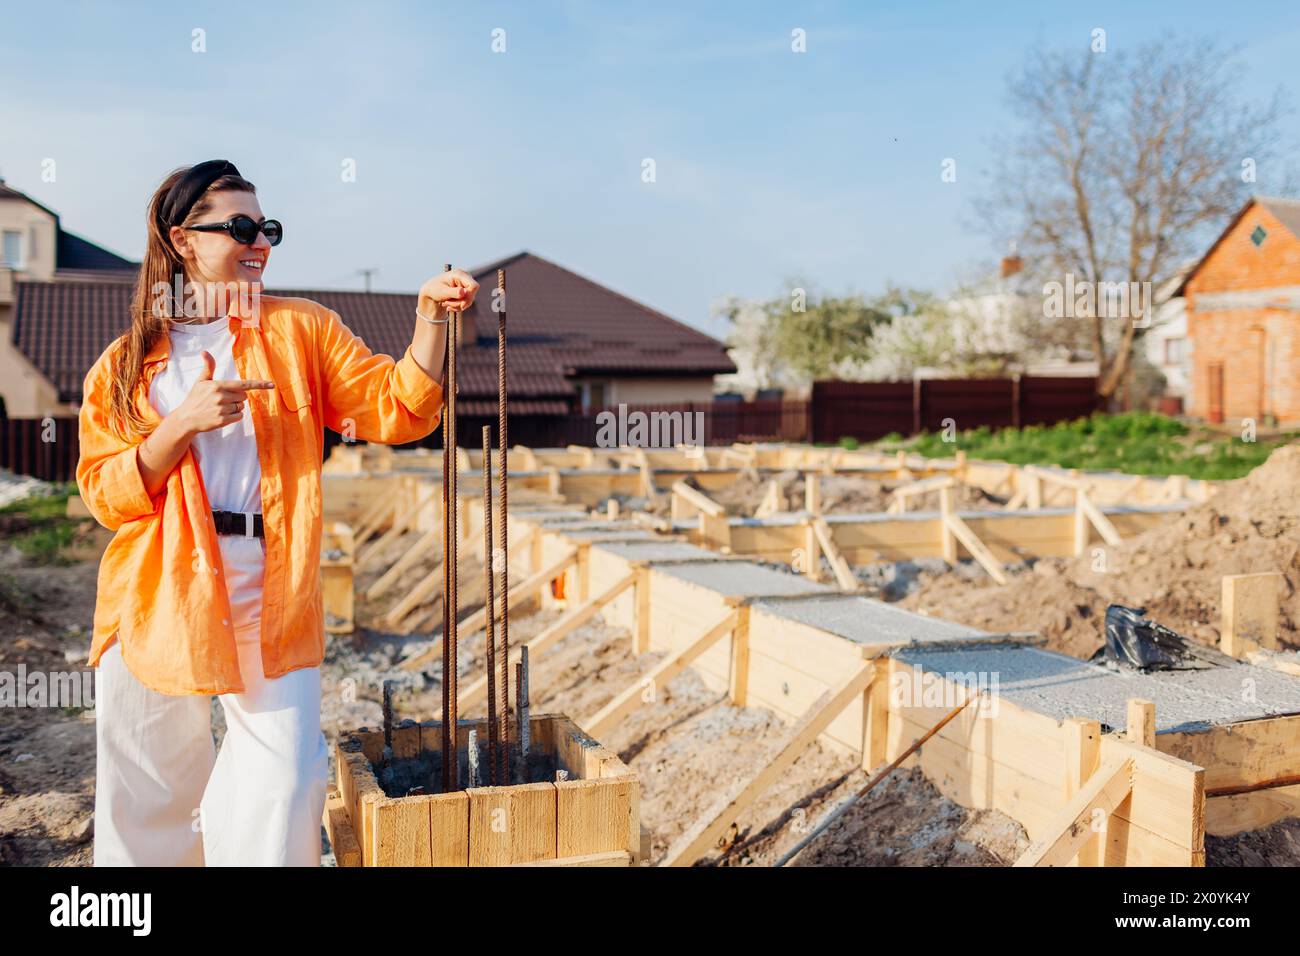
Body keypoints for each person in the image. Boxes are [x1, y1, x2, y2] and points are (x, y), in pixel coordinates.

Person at [77, 159, 478, 865]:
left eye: (267, 228)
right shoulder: (123, 365)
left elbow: (395, 407)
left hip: (271, 584)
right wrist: (180, 426)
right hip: (155, 589)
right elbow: (105, 494)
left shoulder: (300, 330)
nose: (258, 241)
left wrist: (428, 320)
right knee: (151, 788)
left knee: (286, 777)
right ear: (182, 240)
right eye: (238, 227)